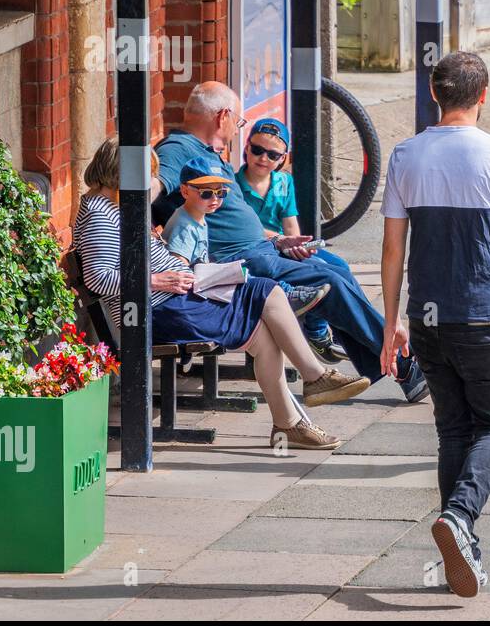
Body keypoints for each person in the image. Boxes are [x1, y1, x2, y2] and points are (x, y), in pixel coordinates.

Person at [73, 140, 373, 449]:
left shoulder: (113, 207)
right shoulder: (100, 214)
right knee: (265, 290)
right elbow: (99, 278)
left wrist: (177, 268)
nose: (152, 183)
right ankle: (315, 376)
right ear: (121, 175)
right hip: (159, 311)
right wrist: (157, 280)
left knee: (266, 339)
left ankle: (290, 424)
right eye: (146, 174)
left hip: (173, 299)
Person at [379, 51, 490, 598]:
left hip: (428, 317)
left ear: (433, 92)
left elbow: (392, 251)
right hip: (484, 312)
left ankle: (461, 538)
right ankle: (461, 518)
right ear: (484, 95)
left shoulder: (405, 155)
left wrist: (391, 324)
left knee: (452, 429)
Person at [154, 82, 428, 403]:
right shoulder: (178, 148)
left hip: (262, 249)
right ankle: (403, 364)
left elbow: (241, 222)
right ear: (223, 116)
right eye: (239, 122)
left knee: (335, 270)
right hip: (239, 261)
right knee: (327, 282)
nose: (236, 130)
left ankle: (388, 364)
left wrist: (280, 240)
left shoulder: (206, 153)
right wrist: (127, 197)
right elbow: (154, 185)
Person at [235, 118, 348, 362]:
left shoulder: (283, 182)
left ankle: (343, 334)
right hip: (259, 251)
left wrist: (299, 244)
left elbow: (290, 223)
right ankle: (316, 334)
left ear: (283, 158)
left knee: (340, 267)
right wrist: (283, 240)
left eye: (273, 155)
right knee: (321, 275)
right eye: (257, 150)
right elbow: (245, 229)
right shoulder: (234, 186)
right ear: (246, 148)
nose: (263, 158)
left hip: (284, 247)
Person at [163, 155, 330, 318]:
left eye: (221, 193)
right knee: (248, 277)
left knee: (246, 273)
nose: (215, 199)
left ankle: (289, 294)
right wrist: (216, 275)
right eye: (206, 193)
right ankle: (287, 295)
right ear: (185, 191)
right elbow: (178, 272)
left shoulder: (198, 216)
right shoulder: (185, 226)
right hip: (193, 295)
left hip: (203, 282)